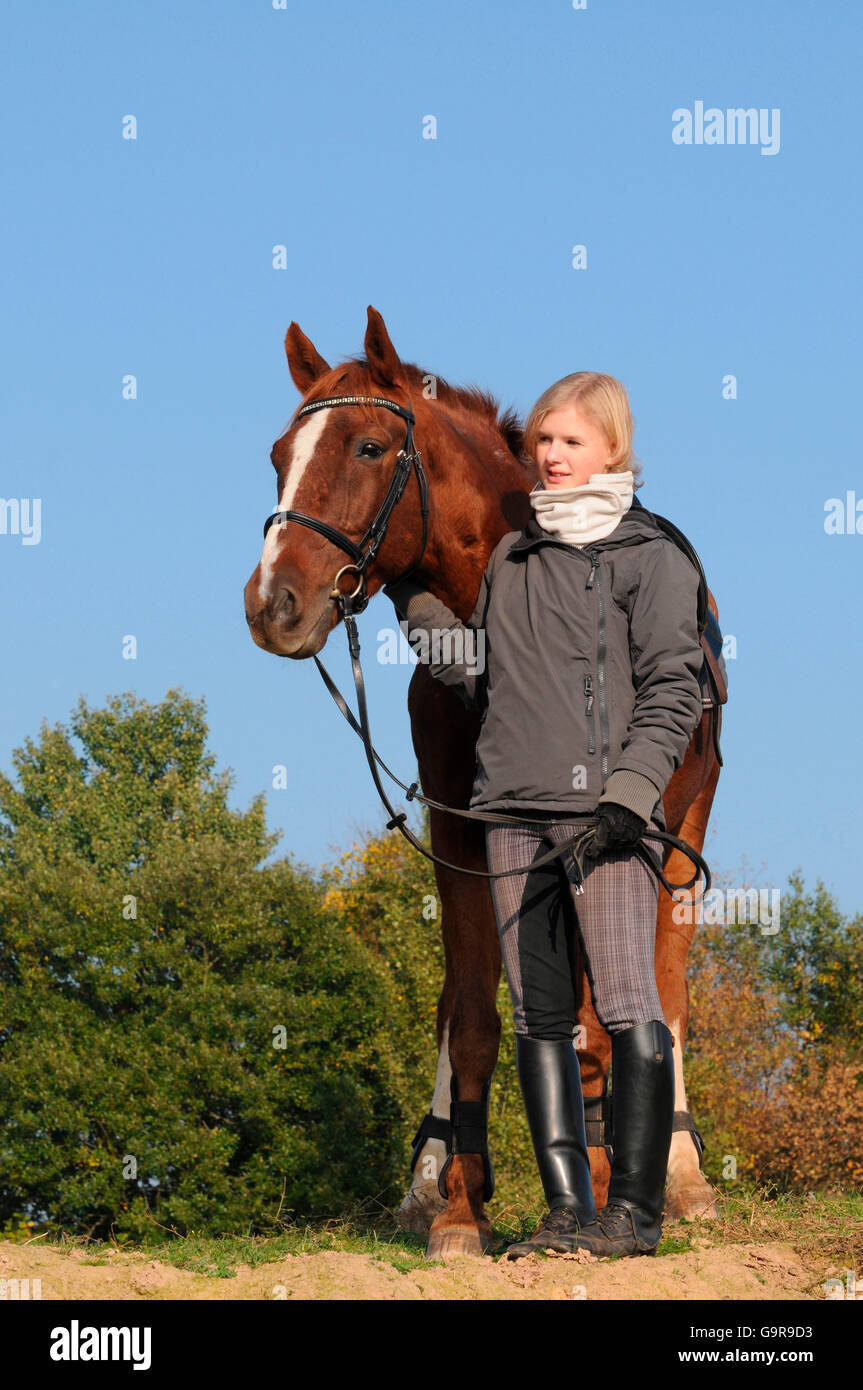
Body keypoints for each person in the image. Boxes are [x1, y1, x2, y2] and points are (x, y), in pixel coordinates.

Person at [384, 372, 704, 1258]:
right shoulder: (515, 562)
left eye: (569, 443)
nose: (550, 458)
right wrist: (410, 602)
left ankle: (631, 1216)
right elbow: (477, 668)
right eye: (543, 445)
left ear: (612, 450)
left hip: (603, 816)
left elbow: (674, 687)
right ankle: (566, 1211)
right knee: (538, 1017)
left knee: (629, 1000)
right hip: (512, 813)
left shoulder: (652, 556)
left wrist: (631, 797)